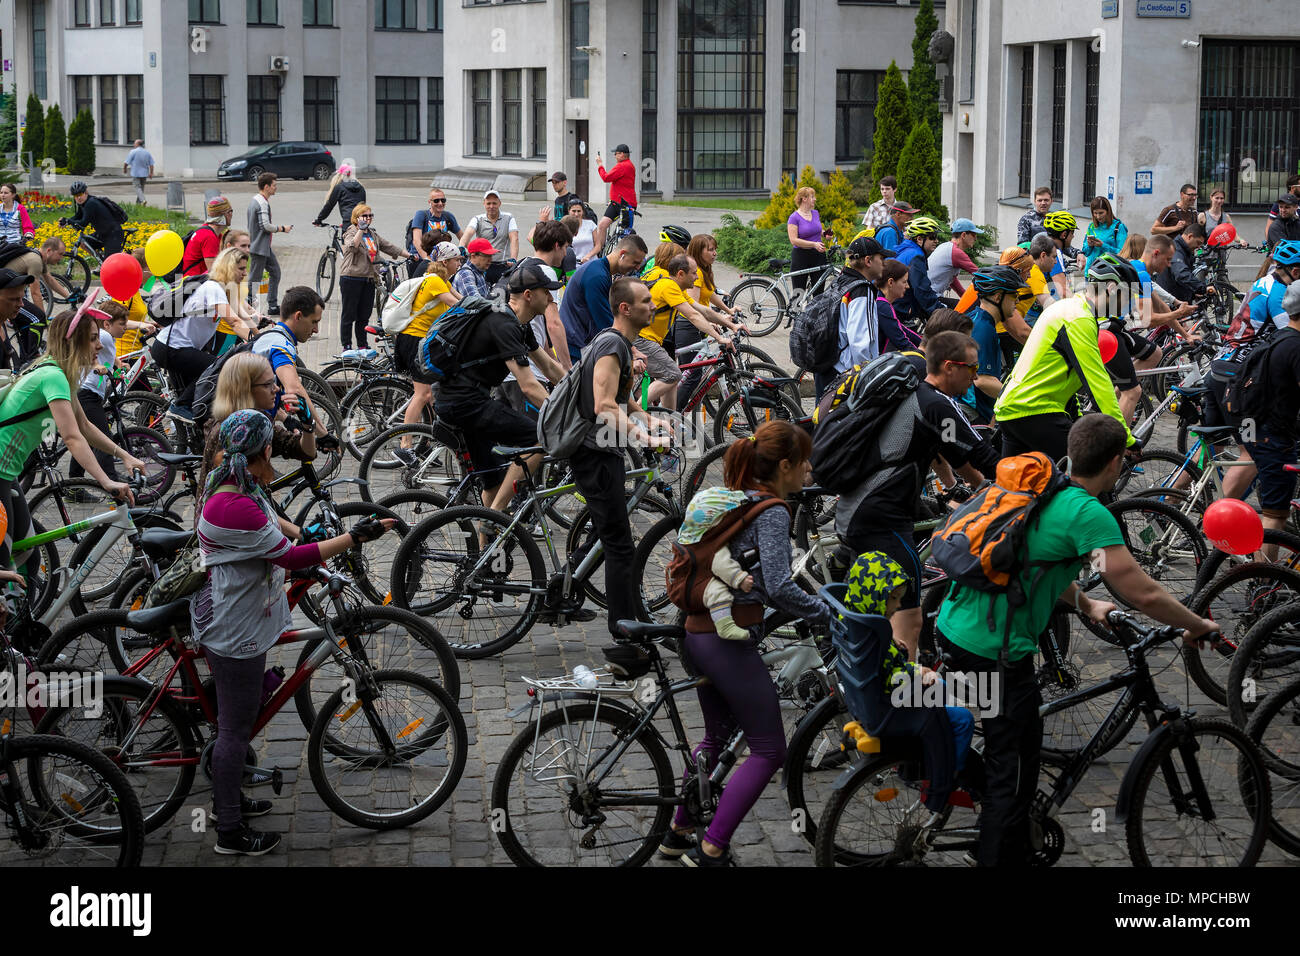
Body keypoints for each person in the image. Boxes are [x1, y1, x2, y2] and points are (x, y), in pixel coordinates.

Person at [936, 412, 1219, 867]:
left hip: (955, 631)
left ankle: (969, 785)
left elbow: (1035, 560)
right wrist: (1196, 625)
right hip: (997, 653)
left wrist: (1086, 604)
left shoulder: (1045, 491)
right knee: (1014, 775)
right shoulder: (1086, 512)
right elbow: (1140, 591)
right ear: (1113, 464)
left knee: (1004, 746)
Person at [194, 409, 393, 855]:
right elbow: (289, 557)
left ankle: (230, 798)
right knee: (234, 730)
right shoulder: (234, 504)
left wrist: (306, 530)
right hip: (234, 627)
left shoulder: (237, 482)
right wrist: (355, 538)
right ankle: (229, 831)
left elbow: (277, 523)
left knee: (238, 721)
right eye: (273, 446)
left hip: (240, 614)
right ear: (264, 450)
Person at [657, 420, 831, 867]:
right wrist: (826, 611)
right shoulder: (772, 510)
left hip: (697, 632)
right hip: (727, 639)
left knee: (715, 737)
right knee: (770, 748)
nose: (810, 469)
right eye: (805, 461)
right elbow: (777, 585)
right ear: (786, 466)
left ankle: (678, 831)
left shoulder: (734, 499)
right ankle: (711, 847)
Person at [835, 331, 1000, 656]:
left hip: (860, 508)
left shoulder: (918, 398)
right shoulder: (937, 405)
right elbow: (985, 457)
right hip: (879, 519)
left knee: (874, 609)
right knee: (909, 621)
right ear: (950, 367)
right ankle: (904, 696)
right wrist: (1035, 484)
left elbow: (957, 454)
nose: (976, 376)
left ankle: (853, 658)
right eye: (972, 368)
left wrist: (978, 488)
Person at [0, 297, 145, 576]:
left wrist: (124, 455)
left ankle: (26, 615)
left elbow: (85, 426)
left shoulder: (61, 374)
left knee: (27, 555)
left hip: (8, 472)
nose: (100, 345)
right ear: (73, 342)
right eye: (92, 339)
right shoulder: (53, 376)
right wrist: (105, 481)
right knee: (5, 562)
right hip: (1, 472)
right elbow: (72, 437)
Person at [565, 276, 671, 633]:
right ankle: (624, 628)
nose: (653, 307)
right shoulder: (612, 346)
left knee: (607, 528)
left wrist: (648, 418)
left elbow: (622, 399)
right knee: (620, 545)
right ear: (626, 308)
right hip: (595, 453)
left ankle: (567, 581)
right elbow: (604, 405)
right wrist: (641, 435)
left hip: (601, 450)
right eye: (646, 302)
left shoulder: (620, 344)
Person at [434, 261, 566, 514]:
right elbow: (528, 385)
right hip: (465, 402)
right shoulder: (504, 324)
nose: (551, 298)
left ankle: (486, 546)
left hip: (464, 399)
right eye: (546, 292)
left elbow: (548, 367)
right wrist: (559, 413)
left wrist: (578, 393)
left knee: (493, 482)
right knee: (537, 438)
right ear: (528, 295)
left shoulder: (518, 323)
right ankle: (498, 516)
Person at [994, 255, 1140, 461]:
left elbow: (1063, 375)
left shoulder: (1068, 308)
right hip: (1035, 411)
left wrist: (1076, 415)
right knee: (1087, 473)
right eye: (1128, 295)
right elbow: (1098, 384)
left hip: (1014, 408)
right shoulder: (1079, 319)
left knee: (1015, 489)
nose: (1129, 305)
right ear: (1111, 288)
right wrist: (1125, 437)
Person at [197, 351, 318, 493]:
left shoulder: (254, 423)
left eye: (274, 381)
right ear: (245, 390)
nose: (276, 389)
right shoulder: (229, 432)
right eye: (268, 384)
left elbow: (306, 452)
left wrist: (308, 424)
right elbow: (234, 500)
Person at [153, 247, 257, 407]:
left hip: (178, 348)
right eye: (241, 268)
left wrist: (259, 334)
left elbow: (242, 315)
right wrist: (256, 342)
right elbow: (234, 322)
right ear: (229, 268)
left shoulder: (223, 289)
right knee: (220, 371)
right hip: (172, 348)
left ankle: (190, 423)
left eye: (246, 268)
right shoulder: (213, 288)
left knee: (199, 392)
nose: (245, 273)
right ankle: (180, 409)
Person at [642, 252, 740, 410]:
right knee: (673, 375)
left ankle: (668, 419)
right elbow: (693, 316)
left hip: (652, 340)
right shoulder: (668, 286)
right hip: (642, 339)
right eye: (694, 273)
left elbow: (704, 311)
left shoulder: (677, 288)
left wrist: (732, 326)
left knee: (671, 380)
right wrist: (719, 338)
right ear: (681, 274)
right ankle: (636, 412)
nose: (696, 277)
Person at [497, 220, 574, 393]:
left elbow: (539, 331)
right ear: (557, 245)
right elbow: (553, 324)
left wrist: (554, 364)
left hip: (506, 369)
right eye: (566, 247)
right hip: (526, 369)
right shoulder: (544, 272)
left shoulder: (522, 265)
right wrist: (568, 367)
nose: (566, 254)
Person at [250, 285, 329, 445]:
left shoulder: (271, 337)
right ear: (298, 316)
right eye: (314, 322)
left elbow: (260, 393)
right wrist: (322, 433)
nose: (316, 329)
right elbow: (295, 390)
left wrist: (285, 419)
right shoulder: (281, 345)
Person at [559, 234, 648, 362]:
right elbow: (605, 321)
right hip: (576, 347)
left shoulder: (600, 269)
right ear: (622, 254)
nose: (638, 268)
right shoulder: (597, 276)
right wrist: (632, 351)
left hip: (580, 342)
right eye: (635, 262)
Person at [68, 298, 129, 482]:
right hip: (86, 393)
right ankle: (112, 484)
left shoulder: (106, 336)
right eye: (122, 324)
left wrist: (117, 363)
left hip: (90, 392)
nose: (125, 327)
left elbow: (106, 355)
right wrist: (95, 364)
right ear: (106, 324)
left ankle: (74, 483)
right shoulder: (102, 335)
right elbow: (80, 347)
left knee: (86, 437)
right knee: (104, 440)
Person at [338, 203, 403, 351]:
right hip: (351, 277)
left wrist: (411, 255)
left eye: (370, 216)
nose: (368, 218)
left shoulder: (372, 234)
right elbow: (352, 247)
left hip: (369, 278)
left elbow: (389, 246)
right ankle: (346, 346)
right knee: (349, 314)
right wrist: (360, 230)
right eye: (364, 216)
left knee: (364, 315)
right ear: (356, 218)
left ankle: (362, 345)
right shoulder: (351, 232)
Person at [966, 266, 1023, 423]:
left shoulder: (979, 320)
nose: (1017, 301)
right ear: (998, 297)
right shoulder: (983, 329)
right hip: (974, 415)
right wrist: (1021, 398)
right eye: (1014, 295)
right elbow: (982, 380)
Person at [246, 173, 290, 316]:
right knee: (255, 277)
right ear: (266, 187)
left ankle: (272, 305)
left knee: (275, 272)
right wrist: (282, 228)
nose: (275, 188)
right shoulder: (262, 202)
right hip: (259, 247)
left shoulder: (255, 200)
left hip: (263, 246)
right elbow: (265, 225)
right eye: (274, 185)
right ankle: (248, 305)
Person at [459, 190, 519, 286]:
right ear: (484, 204)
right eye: (488, 203)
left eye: (494, 203)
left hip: (503, 264)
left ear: (500, 203)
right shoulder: (478, 219)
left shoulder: (509, 218)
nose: (491, 206)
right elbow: (468, 233)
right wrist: (461, 246)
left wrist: (513, 258)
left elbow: (514, 238)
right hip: (483, 264)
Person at [892, 217, 944, 325]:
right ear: (919, 239)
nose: (936, 241)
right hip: (902, 311)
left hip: (894, 306)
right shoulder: (916, 256)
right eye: (932, 237)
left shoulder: (906, 250)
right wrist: (940, 312)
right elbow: (921, 289)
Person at [7, 236, 69, 322]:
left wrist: (69, 296)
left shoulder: (38, 256)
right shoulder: (36, 261)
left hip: (9, 294)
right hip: (5, 296)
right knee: (36, 320)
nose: (61, 258)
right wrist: (43, 318)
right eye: (60, 254)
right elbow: (35, 293)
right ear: (49, 251)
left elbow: (50, 280)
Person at [592, 144, 638, 258]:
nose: (615, 155)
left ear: (622, 154)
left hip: (624, 205)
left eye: (616, 153)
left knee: (623, 233)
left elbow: (606, 178)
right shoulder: (625, 165)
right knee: (602, 225)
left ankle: (610, 253)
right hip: (617, 202)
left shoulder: (623, 166)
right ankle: (600, 250)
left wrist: (600, 165)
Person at [406, 188, 461, 277]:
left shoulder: (448, 216)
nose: (440, 203)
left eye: (443, 200)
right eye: (436, 201)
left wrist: (461, 253)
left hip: (439, 262)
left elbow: (462, 236)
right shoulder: (421, 215)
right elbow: (416, 240)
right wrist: (427, 260)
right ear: (430, 202)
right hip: (420, 260)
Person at [60, 182, 125, 257]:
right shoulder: (83, 204)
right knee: (83, 243)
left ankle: (105, 263)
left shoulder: (91, 203)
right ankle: (101, 261)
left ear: (86, 193)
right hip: (102, 234)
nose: (79, 198)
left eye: (80, 194)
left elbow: (83, 223)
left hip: (113, 234)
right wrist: (66, 221)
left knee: (110, 263)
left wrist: (69, 221)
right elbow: (77, 216)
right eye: (76, 196)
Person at [928, 218, 984, 301]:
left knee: (964, 307)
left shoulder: (945, 246)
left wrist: (964, 298)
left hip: (929, 296)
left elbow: (952, 279)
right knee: (967, 312)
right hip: (932, 298)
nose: (975, 238)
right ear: (964, 235)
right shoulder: (955, 252)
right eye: (973, 234)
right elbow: (980, 275)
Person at [1159, 221, 1213, 305]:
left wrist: (1192, 293)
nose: (1199, 247)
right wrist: (1202, 288)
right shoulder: (1176, 250)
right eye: (1198, 243)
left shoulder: (1185, 250)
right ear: (1190, 236)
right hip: (1170, 303)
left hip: (1175, 300)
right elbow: (1181, 274)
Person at [786, 187, 829, 293]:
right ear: (804, 199)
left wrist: (824, 233)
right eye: (812, 197)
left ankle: (815, 310)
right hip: (801, 257)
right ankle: (796, 310)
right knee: (799, 293)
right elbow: (794, 240)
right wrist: (814, 244)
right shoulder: (794, 217)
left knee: (819, 292)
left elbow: (816, 229)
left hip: (818, 255)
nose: (815, 199)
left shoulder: (815, 213)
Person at [181, 197, 233, 277]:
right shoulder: (209, 237)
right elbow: (213, 272)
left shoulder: (209, 231)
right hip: (193, 283)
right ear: (224, 215)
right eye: (230, 211)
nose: (231, 214)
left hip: (193, 279)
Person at [1042, 211, 1085, 299]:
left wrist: (1078, 253)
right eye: (1072, 233)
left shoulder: (1043, 244)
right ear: (1064, 234)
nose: (1073, 236)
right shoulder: (1054, 253)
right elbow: (1064, 292)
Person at [313, 164, 366, 230]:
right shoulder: (361, 187)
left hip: (348, 221)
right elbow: (363, 206)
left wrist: (319, 220)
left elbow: (329, 205)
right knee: (359, 239)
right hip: (361, 221)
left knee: (347, 239)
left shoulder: (339, 187)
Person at [1082, 197, 1128, 273]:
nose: (1098, 217)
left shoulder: (1119, 227)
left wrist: (1103, 245)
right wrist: (1089, 246)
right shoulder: (1091, 227)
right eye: (1095, 213)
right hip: (1090, 271)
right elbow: (1086, 252)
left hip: (1109, 272)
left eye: (1101, 213)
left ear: (1108, 211)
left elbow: (1122, 254)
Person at [122, 140, 155, 205]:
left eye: (134, 143)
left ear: (137, 144)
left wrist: (124, 169)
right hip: (144, 173)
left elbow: (126, 162)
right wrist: (151, 173)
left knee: (137, 187)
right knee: (141, 188)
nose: (134, 145)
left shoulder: (133, 151)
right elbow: (151, 164)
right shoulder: (147, 152)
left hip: (136, 173)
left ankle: (143, 200)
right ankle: (138, 204)